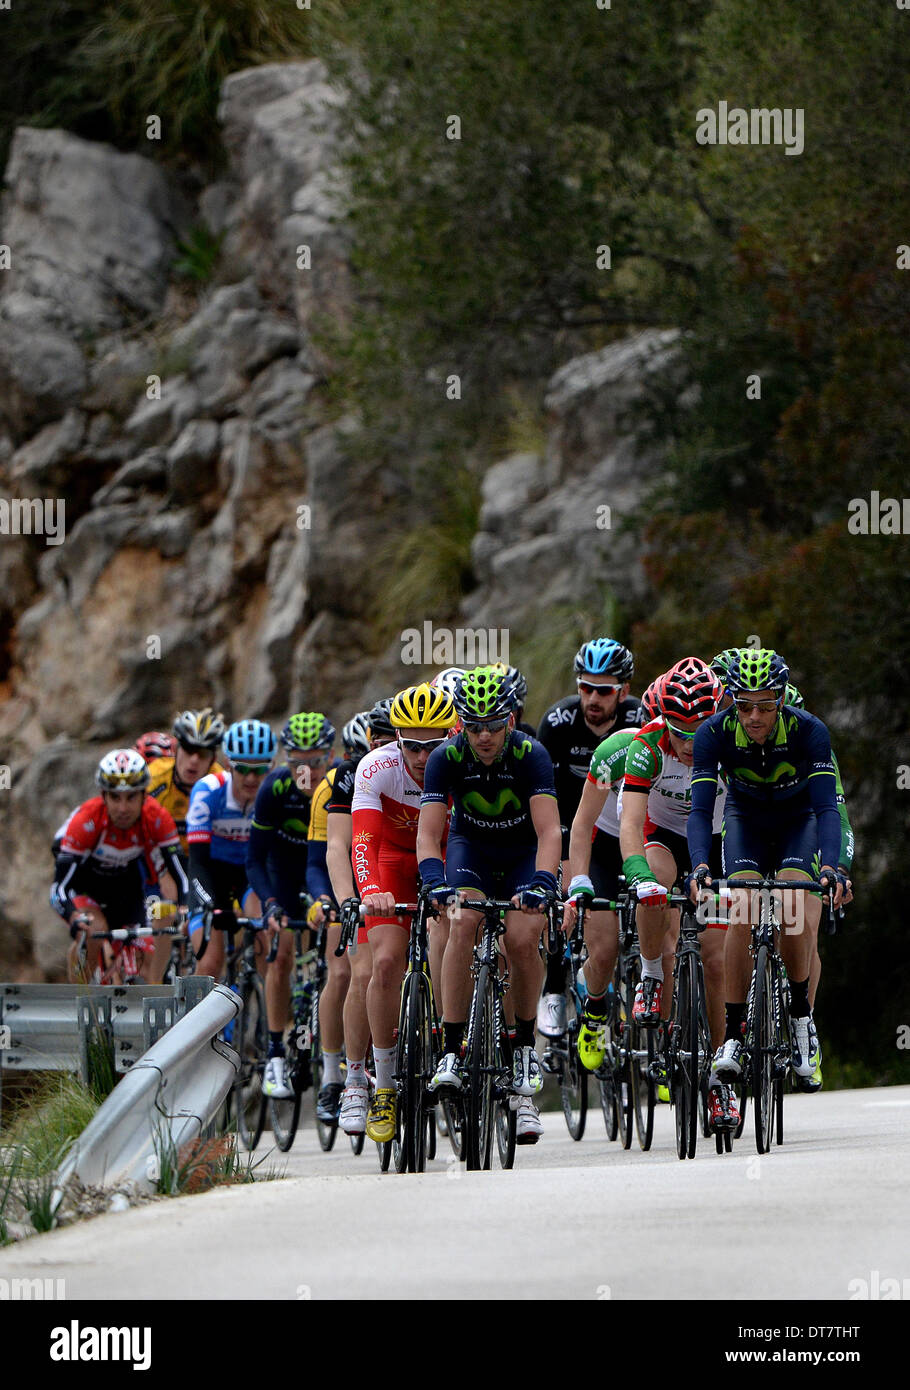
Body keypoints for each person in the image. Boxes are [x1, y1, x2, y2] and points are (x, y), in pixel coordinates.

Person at [686, 648, 847, 1093]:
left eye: (765, 706)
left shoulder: (809, 731)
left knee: (794, 902)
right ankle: (734, 1035)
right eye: (744, 706)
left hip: (799, 823)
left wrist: (832, 868)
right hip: (746, 823)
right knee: (742, 907)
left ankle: (799, 1017)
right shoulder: (713, 734)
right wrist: (700, 864)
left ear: (781, 700)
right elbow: (700, 813)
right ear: (732, 701)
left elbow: (827, 809)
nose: (754, 716)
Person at [418, 665, 561, 1144]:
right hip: (470, 851)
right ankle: (453, 1048)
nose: (483, 736)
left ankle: (522, 1045)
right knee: (461, 922)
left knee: (522, 940)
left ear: (510, 723)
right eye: (473, 726)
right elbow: (429, 833)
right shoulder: (445, 757)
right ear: (461, 724)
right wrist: (433, 880)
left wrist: (542, 881)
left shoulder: (532, 755)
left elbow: (547, 832)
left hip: (522, 855)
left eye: (493, 725)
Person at [349, 684, 458, 1143]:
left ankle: (454, 1041)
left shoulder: (461, 765)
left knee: (456, 933)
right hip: (391, 862)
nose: (420, 755)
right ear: (396, 739)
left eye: (432, 746)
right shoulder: (376, 767)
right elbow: (363, 842)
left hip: (448, 858)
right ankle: (386, 1085)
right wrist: (371, 890)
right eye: (410, 744)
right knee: (387, 961)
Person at [245, 713, 336, 1101]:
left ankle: (340, 1057)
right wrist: (268, 906)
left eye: (317, 761)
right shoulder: (275, 789)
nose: (309, 771)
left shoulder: (339, 787)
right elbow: (253, 859)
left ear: (330, 756)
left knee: (338, 952)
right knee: (279, 954)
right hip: (280, 872)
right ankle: (275, 1054)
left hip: (325, 873)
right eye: (299, 761)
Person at [51, 749, 187, 983]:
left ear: (144, 795)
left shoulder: (156, 817)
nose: (123, 808)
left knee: (150, 955)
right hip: (86, 886)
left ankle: (149, 998)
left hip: (127, 888)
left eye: (131, 797)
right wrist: (73, 916)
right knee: (93, 930)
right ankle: (80, 1002)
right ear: (103, 795)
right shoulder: (87, 821)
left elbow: (181, 874)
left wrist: (186, 907)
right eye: (115, 797)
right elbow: (59, 888)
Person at [186, 719, 275, 981]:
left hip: (250, 873)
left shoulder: (271, 794)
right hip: (211, 874)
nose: (250, 778)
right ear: (228, 765)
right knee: (211, 963)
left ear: (270, 767)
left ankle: (265, 1020)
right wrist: (213, 905)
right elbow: (198, 861)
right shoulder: (207, 792)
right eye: (242, 768)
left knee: (268, 941)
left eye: (259, 770)